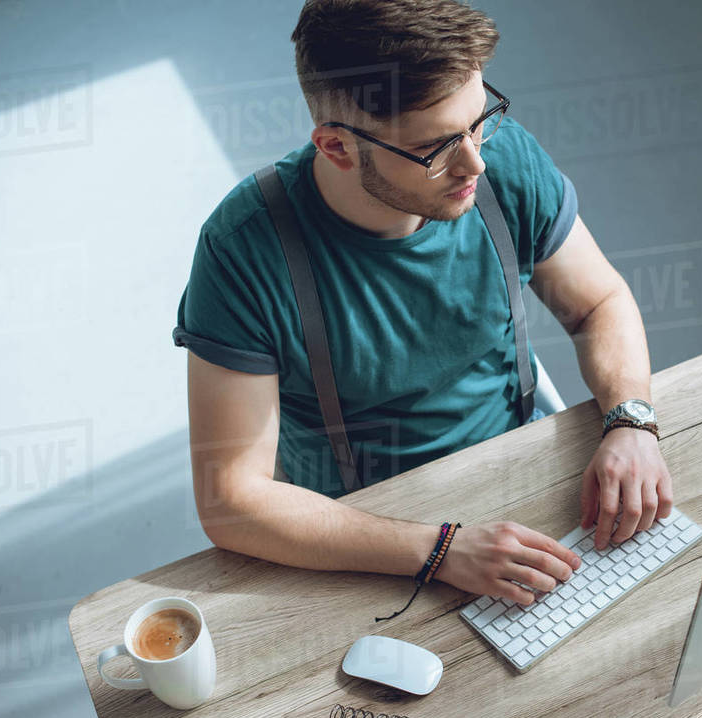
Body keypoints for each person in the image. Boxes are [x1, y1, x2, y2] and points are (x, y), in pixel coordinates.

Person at [174, 0, 674, 609]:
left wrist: (631, 421)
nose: (475, 161)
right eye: (436, 147)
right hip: (364, 532)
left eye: (477, 121)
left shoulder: (500, 160)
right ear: (336, 147)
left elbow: (599, 301)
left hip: (523, 471)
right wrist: (438, 551)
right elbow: (231, 502)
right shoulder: (245, 250)